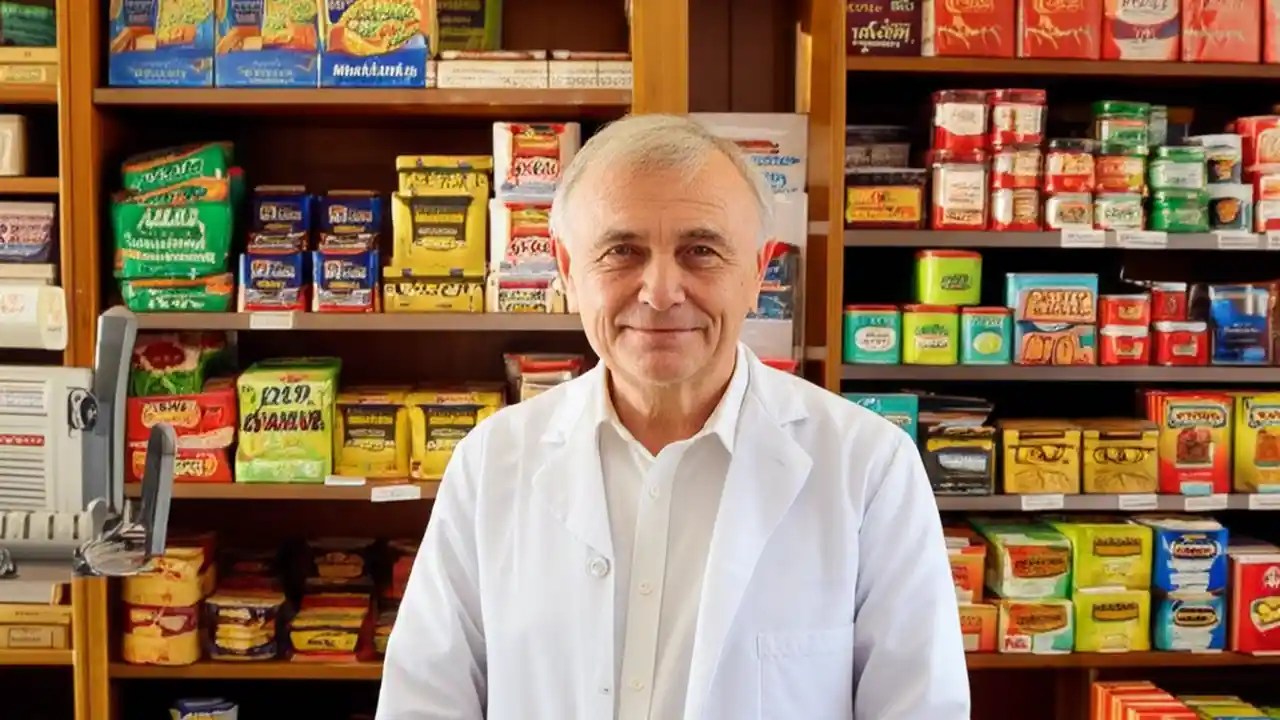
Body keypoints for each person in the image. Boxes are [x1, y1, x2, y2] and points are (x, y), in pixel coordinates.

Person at [377, 114, 969, 720]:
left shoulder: (867, 467)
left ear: (757, 272)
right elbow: (425, 701)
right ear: (567, 270)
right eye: (621, 251)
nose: (661, 291)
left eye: (701, 250)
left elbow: (920, 707)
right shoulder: (493, 461)